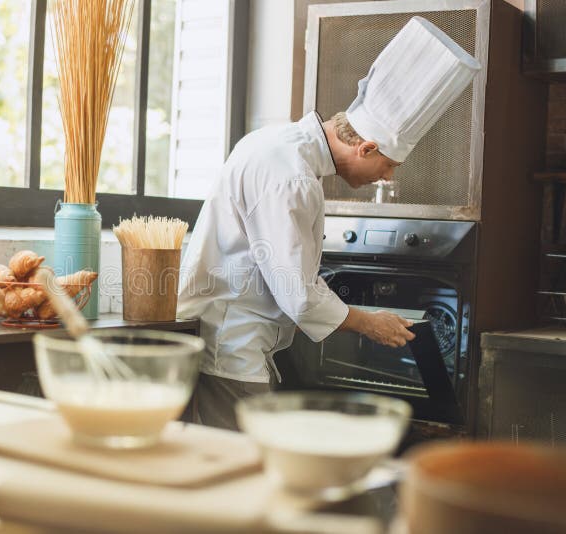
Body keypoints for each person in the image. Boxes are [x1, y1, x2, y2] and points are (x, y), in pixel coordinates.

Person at [177, 17, 481, 430]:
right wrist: (370, 324)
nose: (387, 177)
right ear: (367, 146)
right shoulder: (293, 176)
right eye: (388, 165)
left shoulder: (277, 145)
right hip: (233, 347)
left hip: (236, 340)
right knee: (240, 474)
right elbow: (297, 294)